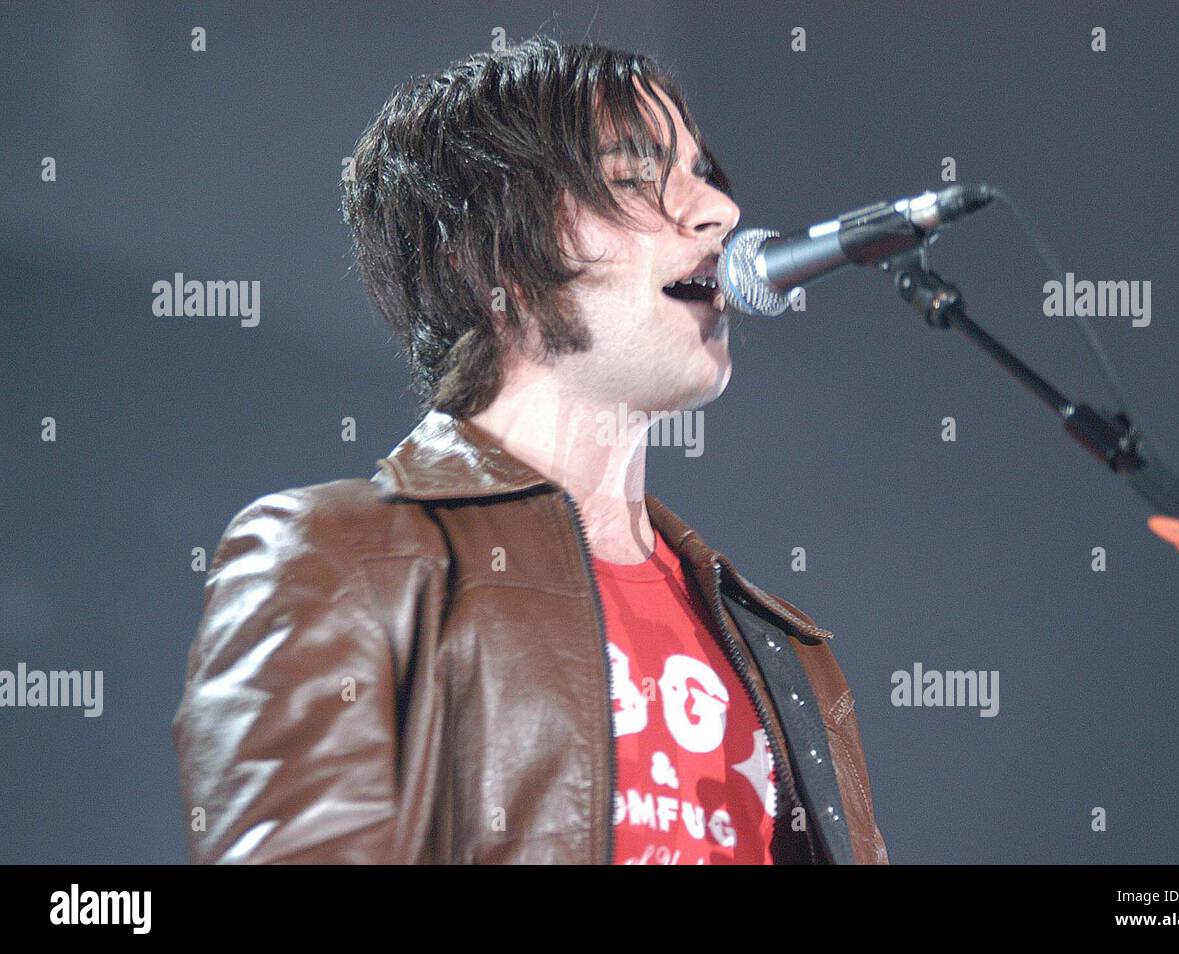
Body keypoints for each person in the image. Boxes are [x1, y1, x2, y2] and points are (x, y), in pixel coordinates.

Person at [172, 37, 888, 865]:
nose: (720, 212)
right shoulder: (339, 561)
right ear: (488, 258)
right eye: (634, 176)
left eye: (704, 172)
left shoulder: (785, 649)